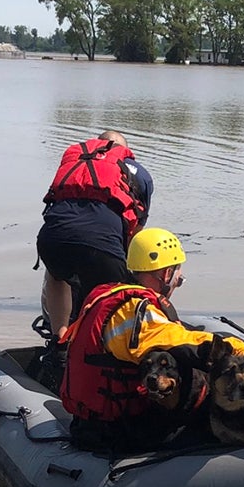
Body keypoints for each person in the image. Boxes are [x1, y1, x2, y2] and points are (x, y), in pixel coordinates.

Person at [59, 227, 244, 453]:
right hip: (118, 431)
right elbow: (187, 346)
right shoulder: (137, 313)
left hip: (93, 422)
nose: (175, 287)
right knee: (216, 428)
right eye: (178, 280)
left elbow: (173, 332)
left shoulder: (111, 296)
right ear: (166, 274)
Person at [36, 130, 153, 340]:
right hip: (102, 245)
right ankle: (99, 346)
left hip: (51, 240)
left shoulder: (76, 161)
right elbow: (136, 229)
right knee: (112, 293)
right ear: (126, 151)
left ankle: (59, 340)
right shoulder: (138, 173)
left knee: (56, 275)